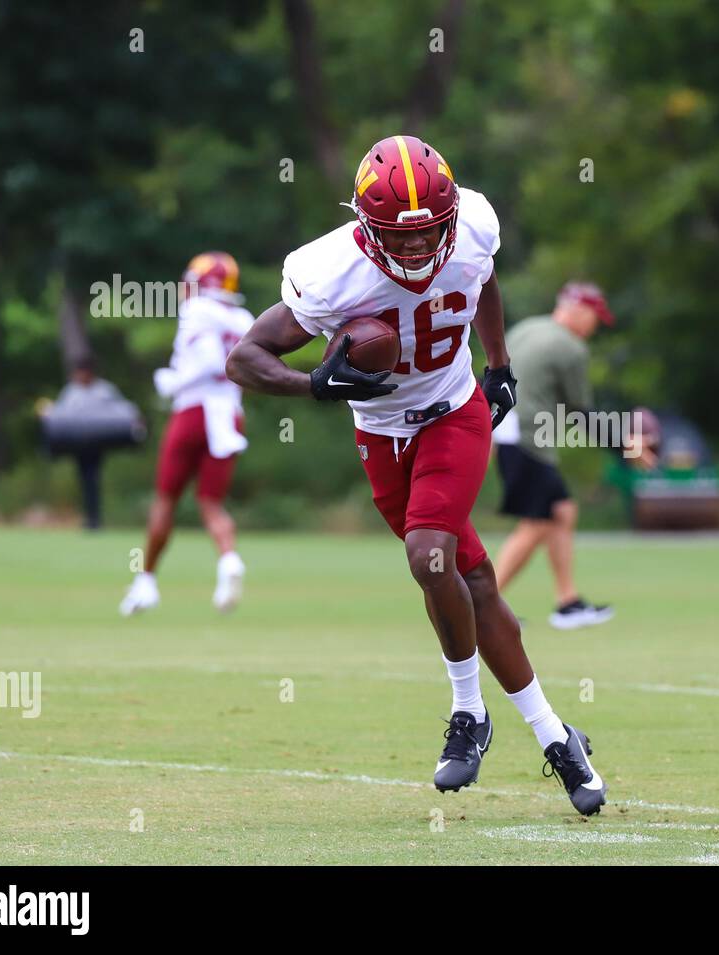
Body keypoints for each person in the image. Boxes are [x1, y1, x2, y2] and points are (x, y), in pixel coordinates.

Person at [225, 135, 607, 815]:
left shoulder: (474, 229)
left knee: (429, 556)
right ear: (364, 227)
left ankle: (468, 714)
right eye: (398, 240)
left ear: (451, 216)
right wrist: (315, 384)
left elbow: (483, 276)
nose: (415, 251)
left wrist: (498, 365)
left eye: (430, 233)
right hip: (380, 432)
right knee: (473, 579)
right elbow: (245, 357)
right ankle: (558, 737)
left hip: (455, 414)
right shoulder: (332, 270)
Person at [119, 252, 254, 617]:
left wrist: (174, 382)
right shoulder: (244, 319)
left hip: (195, 411)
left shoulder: (198, 311)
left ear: (202, 283)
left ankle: (145, 581)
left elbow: (212, 363)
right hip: (229, 415)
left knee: (166, 499)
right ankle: (228, 560)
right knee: (211, 501)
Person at [491, 282, 616, 629]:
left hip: (505, 433)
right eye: (595, 317)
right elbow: (581, 412)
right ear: (580, 311)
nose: (594, 326)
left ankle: (568, 603)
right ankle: (484, 605)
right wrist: (625, 446)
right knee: (537, 522)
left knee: (560, 511)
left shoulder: (526, 328)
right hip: (529, 440)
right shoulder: (570, 347)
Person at [46, 358, 141, 530]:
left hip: (97, 443)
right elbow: (61, 414)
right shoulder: (71, 392)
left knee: (93, 477)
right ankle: (90, 518)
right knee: (85, 478)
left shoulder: (104, 390)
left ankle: (95, 518)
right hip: (79, 443)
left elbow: (122, 409)